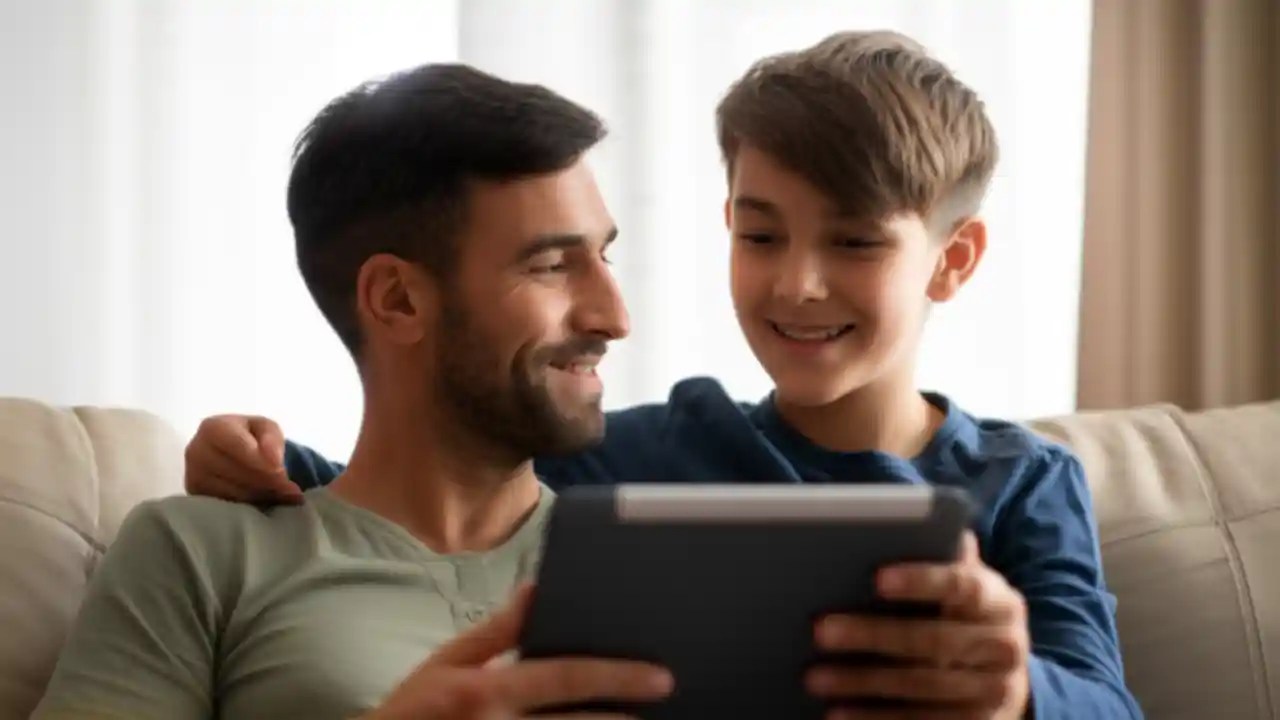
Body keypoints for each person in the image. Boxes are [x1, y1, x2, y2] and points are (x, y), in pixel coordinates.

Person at [185, 31, 1144, 719]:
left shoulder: (1021, 481)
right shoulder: (648, 451)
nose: (797, 284)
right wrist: (271, 463)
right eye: (760, 233)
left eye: (854, 241)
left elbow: (1105, 699)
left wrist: (1017, 690)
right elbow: (444, 486)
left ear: (953, 259)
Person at [33, 63, 676, 719]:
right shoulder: (201, 554)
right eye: (551, 266)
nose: (614, 317)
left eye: (604, 257)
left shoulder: (662, 579)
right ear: (397, 300)